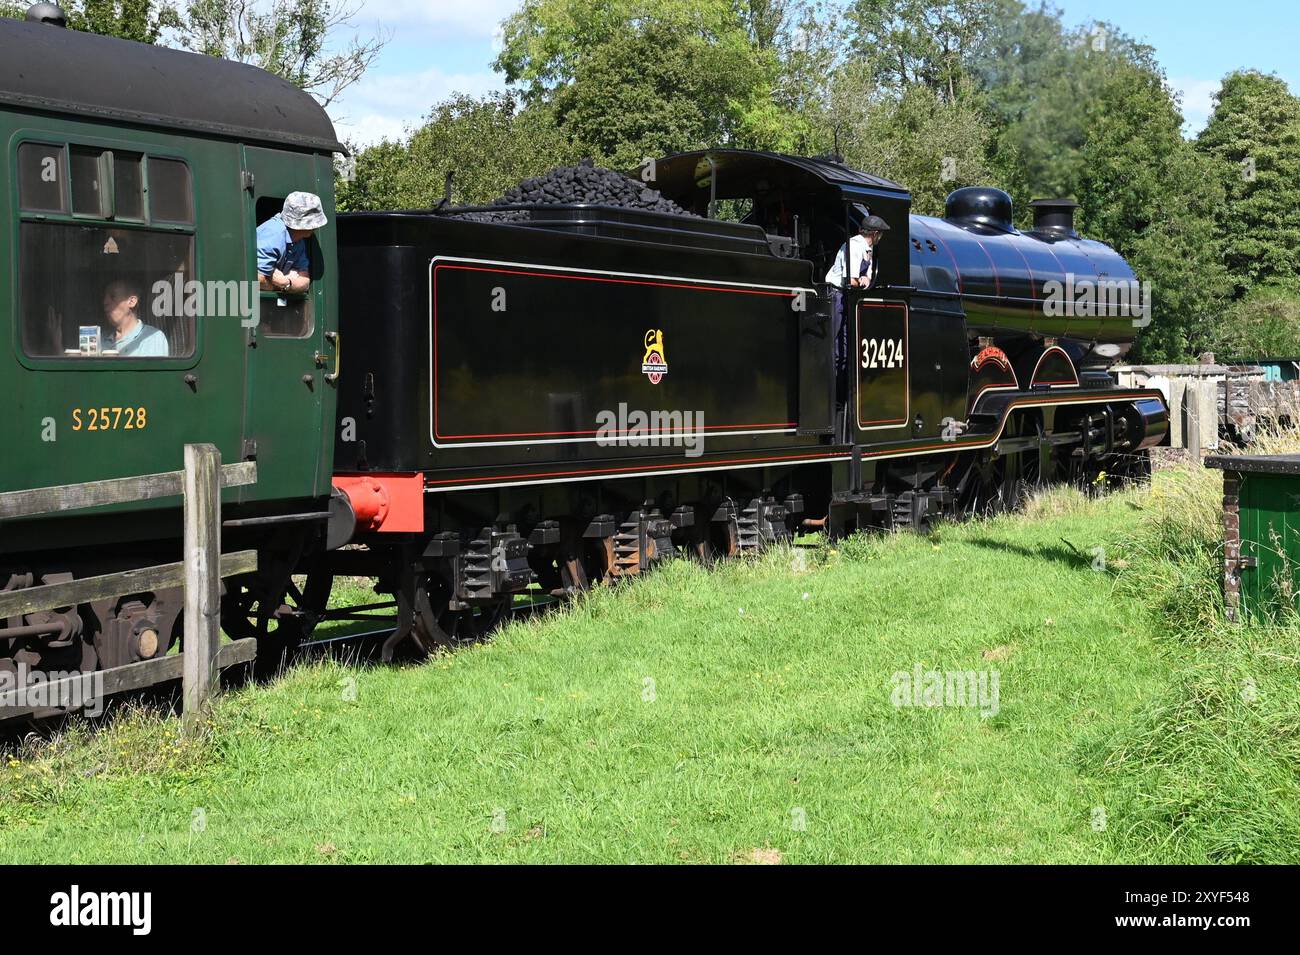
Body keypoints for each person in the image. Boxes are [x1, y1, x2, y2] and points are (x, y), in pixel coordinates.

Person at [824, 215, 891, 435]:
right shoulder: (853, 246)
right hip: (837, 295)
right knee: (836, 348)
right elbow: (852, 280)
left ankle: (842, 395)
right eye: (880, 234)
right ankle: (831, 396)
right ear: (875, 234)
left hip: (848, 297)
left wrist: (864, 280)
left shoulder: (867, 250)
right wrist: (861, 281)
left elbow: (867, 278)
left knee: (845, 349)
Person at [257, 192, 328, 293]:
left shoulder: (299, 240)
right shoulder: (272, 234)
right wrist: (285, 285)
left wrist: (286, 283)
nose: (317, 226)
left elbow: (305, 282)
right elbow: (257, 279)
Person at [101, 280, 169, 357]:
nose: (105, 302)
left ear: (132, 302)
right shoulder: (99, 340)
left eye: (113, 296)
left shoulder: (152, 338)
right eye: (105, 297)